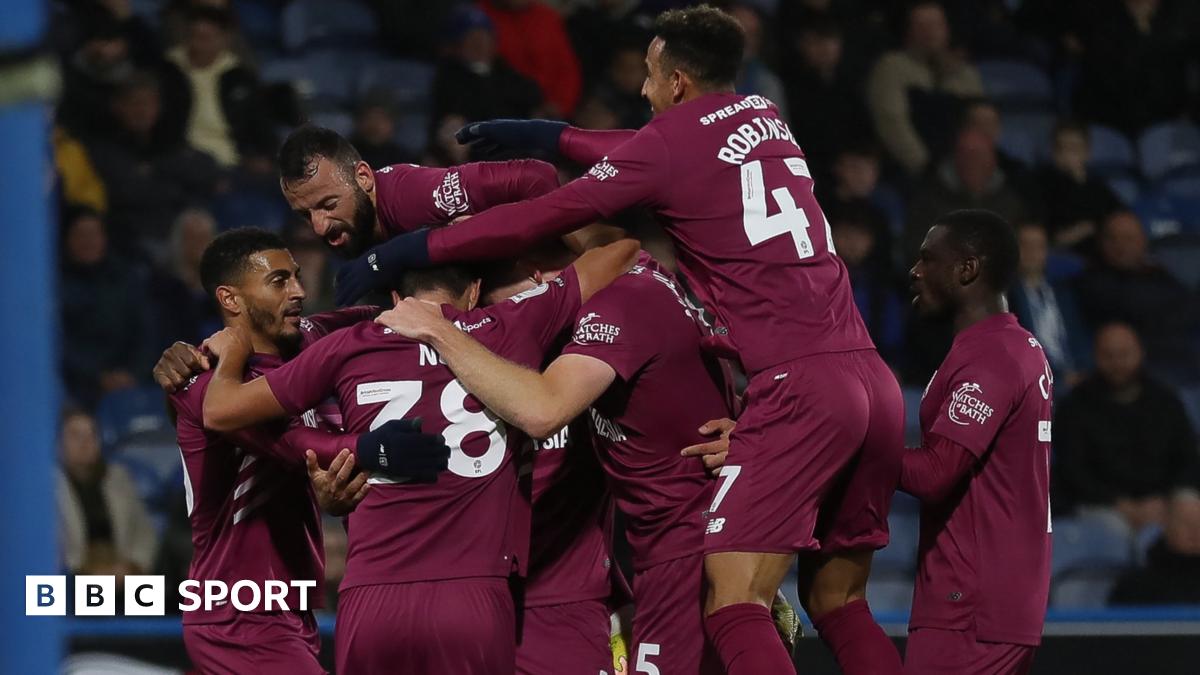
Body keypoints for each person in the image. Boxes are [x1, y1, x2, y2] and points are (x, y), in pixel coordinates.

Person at [339, 7, 905, 674]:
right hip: (871, 379)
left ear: (679, 84)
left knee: (735, 603)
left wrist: (409, 250)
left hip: (791, 390)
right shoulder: (764, 116)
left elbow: (555, 216)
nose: (642, 89)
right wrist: (557, 136)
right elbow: (653, 153)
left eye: (650, 75)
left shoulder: (628, 295)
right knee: (839, 601)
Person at [197, 239, 639, 673]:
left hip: (372, 601)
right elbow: (620, 250)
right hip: (471, 598)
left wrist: (231, 357)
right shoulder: (510, 325)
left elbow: (219, 412)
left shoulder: (350, 344)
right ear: (472, 292)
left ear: (395, 299)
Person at [375, 245, 733, 673]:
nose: (514, 316)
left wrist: (749, 433)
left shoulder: (585, 357)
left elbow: (673, 400)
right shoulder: (408, 372)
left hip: (564, 611)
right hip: (449, 604)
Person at [164, 228, 449, 673]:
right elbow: (292, 445)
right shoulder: (201, 380)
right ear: (231, 298)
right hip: (237, 614)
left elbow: (385, 314)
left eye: (296, 277)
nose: (299, 290)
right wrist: (375, 450)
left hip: (290, 609)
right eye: (279, 281)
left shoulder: (307, 343)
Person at [903, 209, 1053, 674]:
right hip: (995, 599)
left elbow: (934, 474)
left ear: (967, 269)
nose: (915, 270)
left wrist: (841, 438)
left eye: (928, 259)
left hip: (969, 605)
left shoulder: (992, 358)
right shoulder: (1014, 346)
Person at [276, 125, 559, 260]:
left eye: (328, 204)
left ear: (363, 177)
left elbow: (536, 176)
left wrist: (459, 237)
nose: (318, 226)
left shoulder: (413, 195)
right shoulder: (359, 231)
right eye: (304, 214)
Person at [1053, 323, 1200, 532]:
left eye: (1124, 354)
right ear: (1095, 357)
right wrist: (1123, 506)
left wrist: (1168, 499)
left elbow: (1187, 457)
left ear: (1141, 353)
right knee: (1113, 530)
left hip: (1165, 499)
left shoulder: (1165, 399)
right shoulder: (1075, 406)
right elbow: (1073, 472)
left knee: (1191, 512)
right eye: (1108, 355)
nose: (1117, 363)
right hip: (1104, 506)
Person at [1073, 211, 1200, 381]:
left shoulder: (1157, 274)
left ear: (1143, 242)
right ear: (1101, 244)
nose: (1120, 246)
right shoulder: (1094, 280)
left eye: (1128, 238)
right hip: (1133, 365)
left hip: (1178, 354)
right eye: (1112, 239)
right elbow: (1135, 307)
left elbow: (1187, 306)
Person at [865, 0, 984, 176]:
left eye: (936, 25)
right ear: (908, 30)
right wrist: (926, 167)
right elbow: (892, 123)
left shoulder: (964, 72)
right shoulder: (892, 67)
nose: (930, 32)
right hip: (911, 171)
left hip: (963, 171)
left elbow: (979, 119)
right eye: (922, 26)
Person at [159, 6, 275, 171]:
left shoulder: (240, 76)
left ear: (224, 39)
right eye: (193, 36)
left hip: (232, 160)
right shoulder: (168, 70)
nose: (197, 45)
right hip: (181, 157)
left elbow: (260, 123)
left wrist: (264, 156)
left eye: (205, 38)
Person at [59, 207, 149, 408]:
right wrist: (98, 376)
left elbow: (145, 332)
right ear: (68, 240)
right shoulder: (55, 285)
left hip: (129, 382)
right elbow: (59, 342)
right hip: (76, 384)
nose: (88, 241)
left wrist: (132, 373)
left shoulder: (125, 278)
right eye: (81, 235)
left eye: (94, 234)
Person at [57, 408, 158, 583]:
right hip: (72, 580)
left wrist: (132, 566)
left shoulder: (118, 477)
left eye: (91, 435)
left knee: (170, 597)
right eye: (75, 436)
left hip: (124, 577)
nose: (85, 443)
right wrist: (85, 573)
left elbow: (144, 532)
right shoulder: (47, 485)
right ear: (58, 442)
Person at [905, 129, 1028, 263]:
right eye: (967, 156)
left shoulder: (1010, 204)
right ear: (955, 158)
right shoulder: (929, 202)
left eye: (978, 156)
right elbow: (915, 253)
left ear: (993, 160)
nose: (972, 163)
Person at [1009, 221, 1090, 389]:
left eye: (1038, 246)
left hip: (1078, 376)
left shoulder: (1064, 291)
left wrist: (1084, 370)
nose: (1032, 252)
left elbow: (1078, 334)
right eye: (1025, 245)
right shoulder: (1006, 298)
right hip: (1039, 383)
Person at [479, 0, 583, 118]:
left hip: (551, 111)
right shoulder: (480, 16)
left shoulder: (546, 17)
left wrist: (559, 104)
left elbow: (567, 68)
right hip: (504, 110)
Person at [1033, 121, 1123, 250]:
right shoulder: (1040, 183)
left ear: (1087, 152)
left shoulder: (1096, 185)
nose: (1067, 154)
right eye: (1061, 148)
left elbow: (1118, 214)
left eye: (1074, 148)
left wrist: (1078, 180)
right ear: (1053, 151)